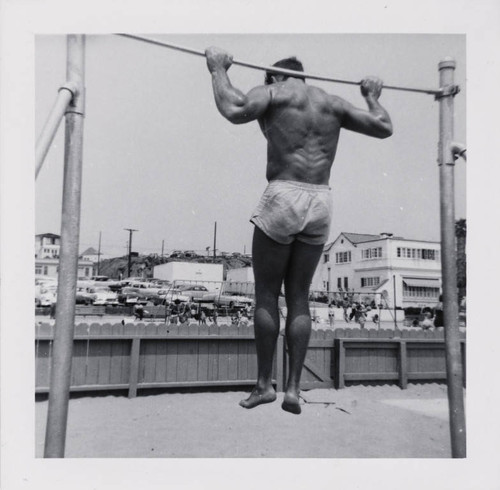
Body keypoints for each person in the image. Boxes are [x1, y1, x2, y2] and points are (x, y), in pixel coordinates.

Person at [206, 47, 392, 414]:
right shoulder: (333, 103)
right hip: (321, 200)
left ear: (273, 76)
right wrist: (371, 96)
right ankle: (292, 388)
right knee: (300, 299)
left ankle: (263, 385)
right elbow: (384, 127)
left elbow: (233, 108)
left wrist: (216, 70)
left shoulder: (275, 91)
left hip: (284, 193)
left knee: (265, 296)